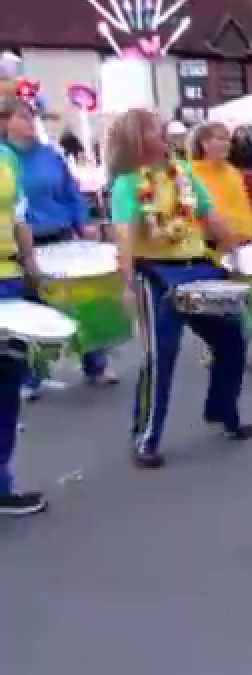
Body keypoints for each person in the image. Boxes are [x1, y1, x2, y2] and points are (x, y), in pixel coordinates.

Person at [108, 108, 252, 468]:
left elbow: (209, 215)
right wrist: (127, 284)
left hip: (198, 268)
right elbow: (124, 236)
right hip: (156, 276)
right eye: (158, 132)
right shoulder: (128, 183)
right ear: (140, 140)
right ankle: (146, 438)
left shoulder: (184, 173)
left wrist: (240, 249)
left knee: (232, 340)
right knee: (162, 357)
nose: (168, 137)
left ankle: (222, 411)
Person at [3, 99, 117, 388]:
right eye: (23, 116)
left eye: (32, 116)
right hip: (26, 240)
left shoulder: (50, 155)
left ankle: (95, 364)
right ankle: (30, 376)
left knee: (81, 302)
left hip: (61, 234)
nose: (30, 121)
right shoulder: (5, 158)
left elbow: (71, 192)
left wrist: (83, 223)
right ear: (5, 122)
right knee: (31, 310)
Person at [0, 116, 46, 515]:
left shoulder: (5, 163)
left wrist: (31, 265)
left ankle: (1, 484)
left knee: (7, 385)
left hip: (9, 280)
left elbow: (18, 217)